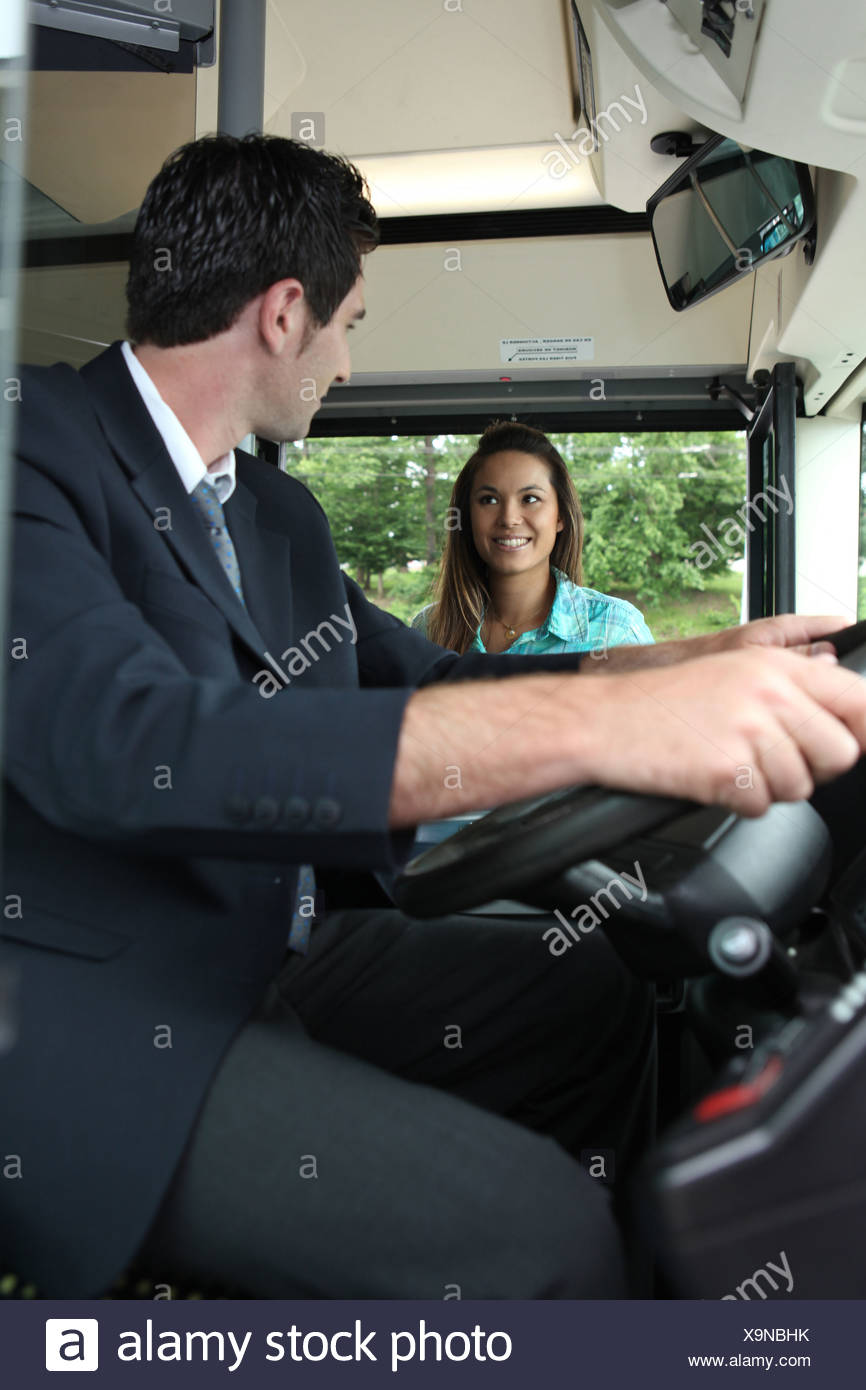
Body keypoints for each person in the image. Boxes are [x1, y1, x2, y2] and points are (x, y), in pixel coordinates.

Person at [3, 134, 866, 1305]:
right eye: (351, 323)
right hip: (98, 1018)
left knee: (607, 1005)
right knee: (539, 1240)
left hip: (287, 954)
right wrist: (611, 732)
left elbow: (430, 687)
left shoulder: (275, 516)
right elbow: (135, 746)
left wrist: (703, 657)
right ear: (284, 312)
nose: (349, 366)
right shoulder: (34, 446)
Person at [413, 421, 653, 655]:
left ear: (561, 516)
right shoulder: (428, 631)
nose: (509, 518)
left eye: (529, 499)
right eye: (489, 499)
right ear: (467, 517)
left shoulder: (617, 632)